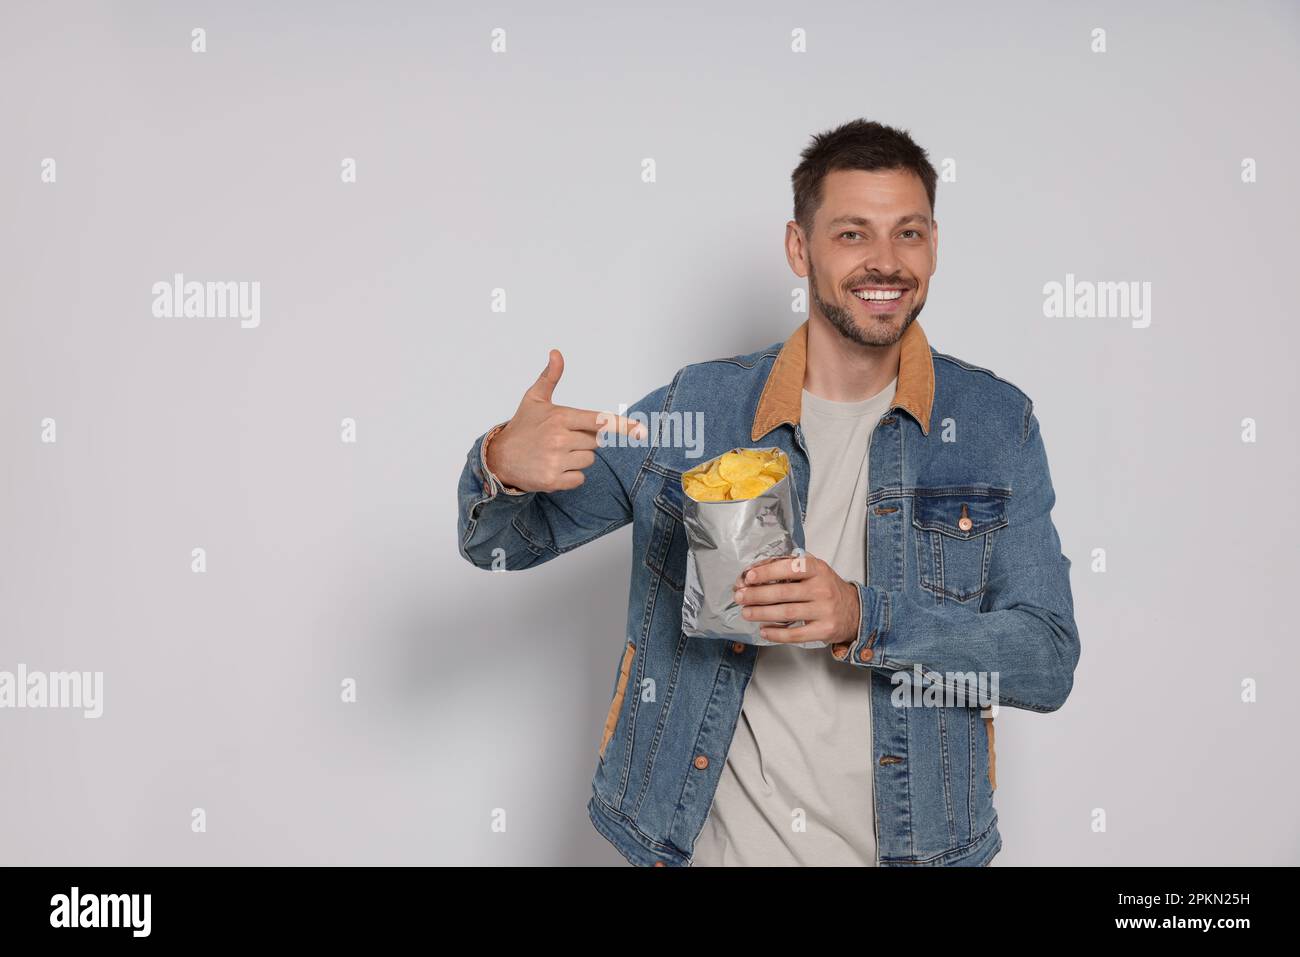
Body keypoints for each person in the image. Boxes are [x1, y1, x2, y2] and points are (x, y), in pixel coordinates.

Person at [455, 119, 1080, 866]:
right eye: (852, 234)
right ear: (799, 248)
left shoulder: (993, 424)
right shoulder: (699, 410)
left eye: (908, 233)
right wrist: (501, 460)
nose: (885, 261)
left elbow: (1046, 660)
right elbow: (497, 543)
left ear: (935, 246)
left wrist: (861, 614)